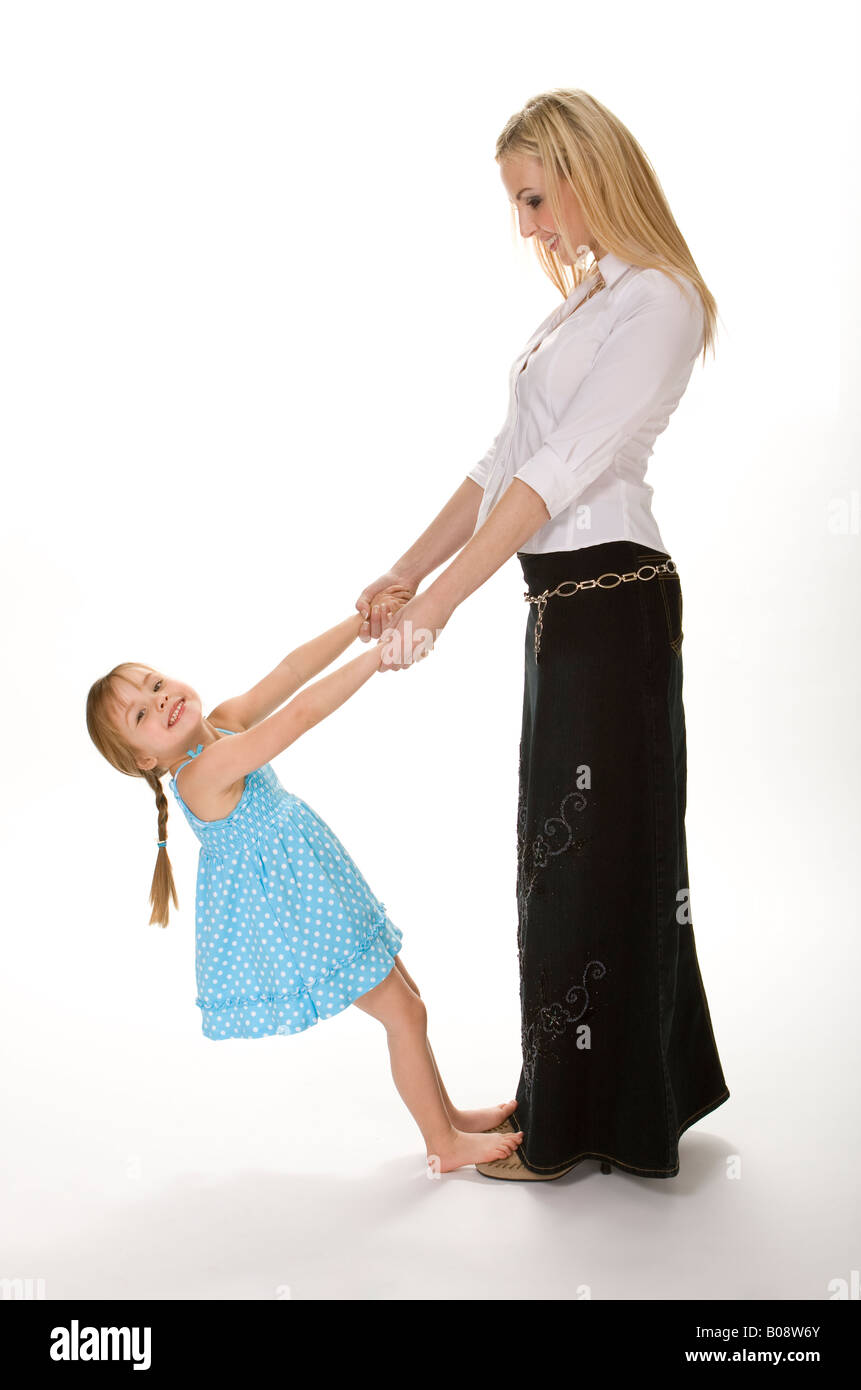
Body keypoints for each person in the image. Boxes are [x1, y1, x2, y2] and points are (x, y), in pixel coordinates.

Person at [355, 89, 730, 1180]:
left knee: (598, 859)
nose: (529, 228)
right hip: (565, 608)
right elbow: (498, 461)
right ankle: (568, 1089)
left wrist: (443, 604)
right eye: (517, 206)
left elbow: (556, 476)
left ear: (586, 171)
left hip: (613, 599)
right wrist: (405, 569)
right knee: (559, 858)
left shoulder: (659, 301)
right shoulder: (575, 313)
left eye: (533, 198)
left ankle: (575, 1128)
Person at [84, 614, 523, 1174]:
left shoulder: (220, 724)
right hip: (301, 918)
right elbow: (299, 715)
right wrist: (380, 656)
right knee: (404, 1013)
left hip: (319, 886)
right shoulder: (203, 772)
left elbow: (292, 671)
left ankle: (448, 1115)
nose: (161, 698)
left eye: (156, 683)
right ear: (145, 761)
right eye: (141, 713)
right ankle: (443, 1141)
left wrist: (361, 626)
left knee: (408, 999)